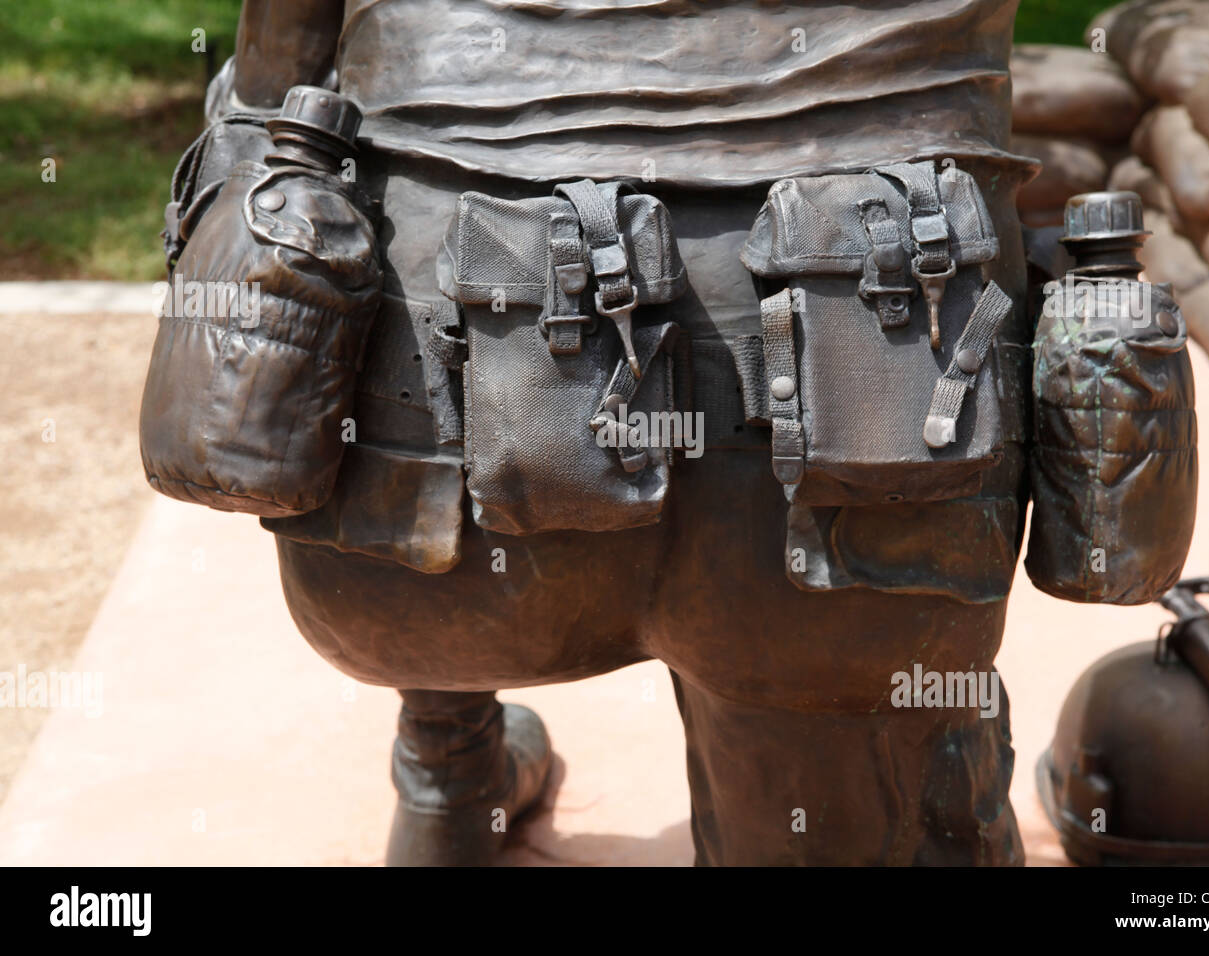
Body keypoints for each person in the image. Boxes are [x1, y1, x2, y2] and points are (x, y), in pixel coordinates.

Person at [192, 0, 1038, 865]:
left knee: (456, 303)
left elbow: (269, 84)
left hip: (414, 526)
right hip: (856, 390)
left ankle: (446, 775)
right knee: (828, 740)